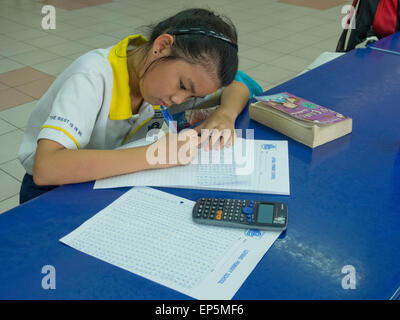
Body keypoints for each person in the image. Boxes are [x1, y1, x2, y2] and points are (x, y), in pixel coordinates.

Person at [18, 8, 256, 204]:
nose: (179, 101)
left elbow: (240, 86)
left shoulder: (163, 83)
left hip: (109, 181)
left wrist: (226, 113)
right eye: (183, 86)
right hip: (52, 192)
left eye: (192, 95)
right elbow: (47, 168)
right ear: (161, 46)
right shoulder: (92, 77)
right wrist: (156, 155)